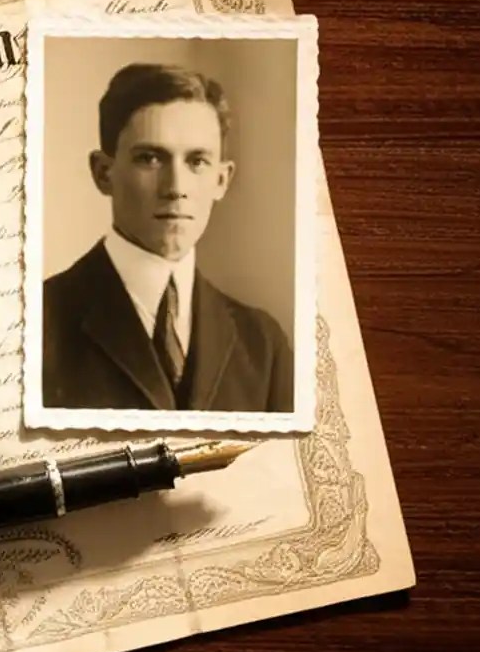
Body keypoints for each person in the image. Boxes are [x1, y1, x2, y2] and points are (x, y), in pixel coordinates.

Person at [40, 63, 293, 412]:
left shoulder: (264, 345)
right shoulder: (41, 320)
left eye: (197, 162)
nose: (175, 188)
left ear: (222, 179)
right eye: (150, 158)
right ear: (103, 173)